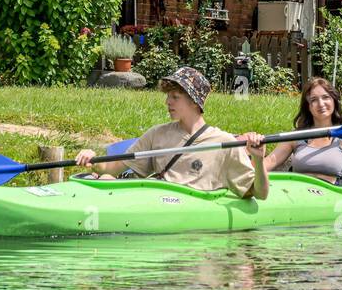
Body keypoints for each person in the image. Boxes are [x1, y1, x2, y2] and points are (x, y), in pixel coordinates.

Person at [73, 66, 269, 200]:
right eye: (168, 96)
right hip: (153, 201)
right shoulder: (156, 134)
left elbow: (259, 194)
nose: (168, 102)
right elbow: (113, 169)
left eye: (175, 97)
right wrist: (94, 162)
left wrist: (258, 161)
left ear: (194, 101)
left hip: (187, 211)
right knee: (106, 180)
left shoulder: (224, 143)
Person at [241, 77, 342, 185]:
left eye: (325, 98)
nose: (321, 104)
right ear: (308, 107)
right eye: (314, 100)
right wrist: (256, 156)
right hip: (297, 194)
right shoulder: (295, 137)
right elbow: (266, 165)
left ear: (334, 102)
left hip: (332, 195)